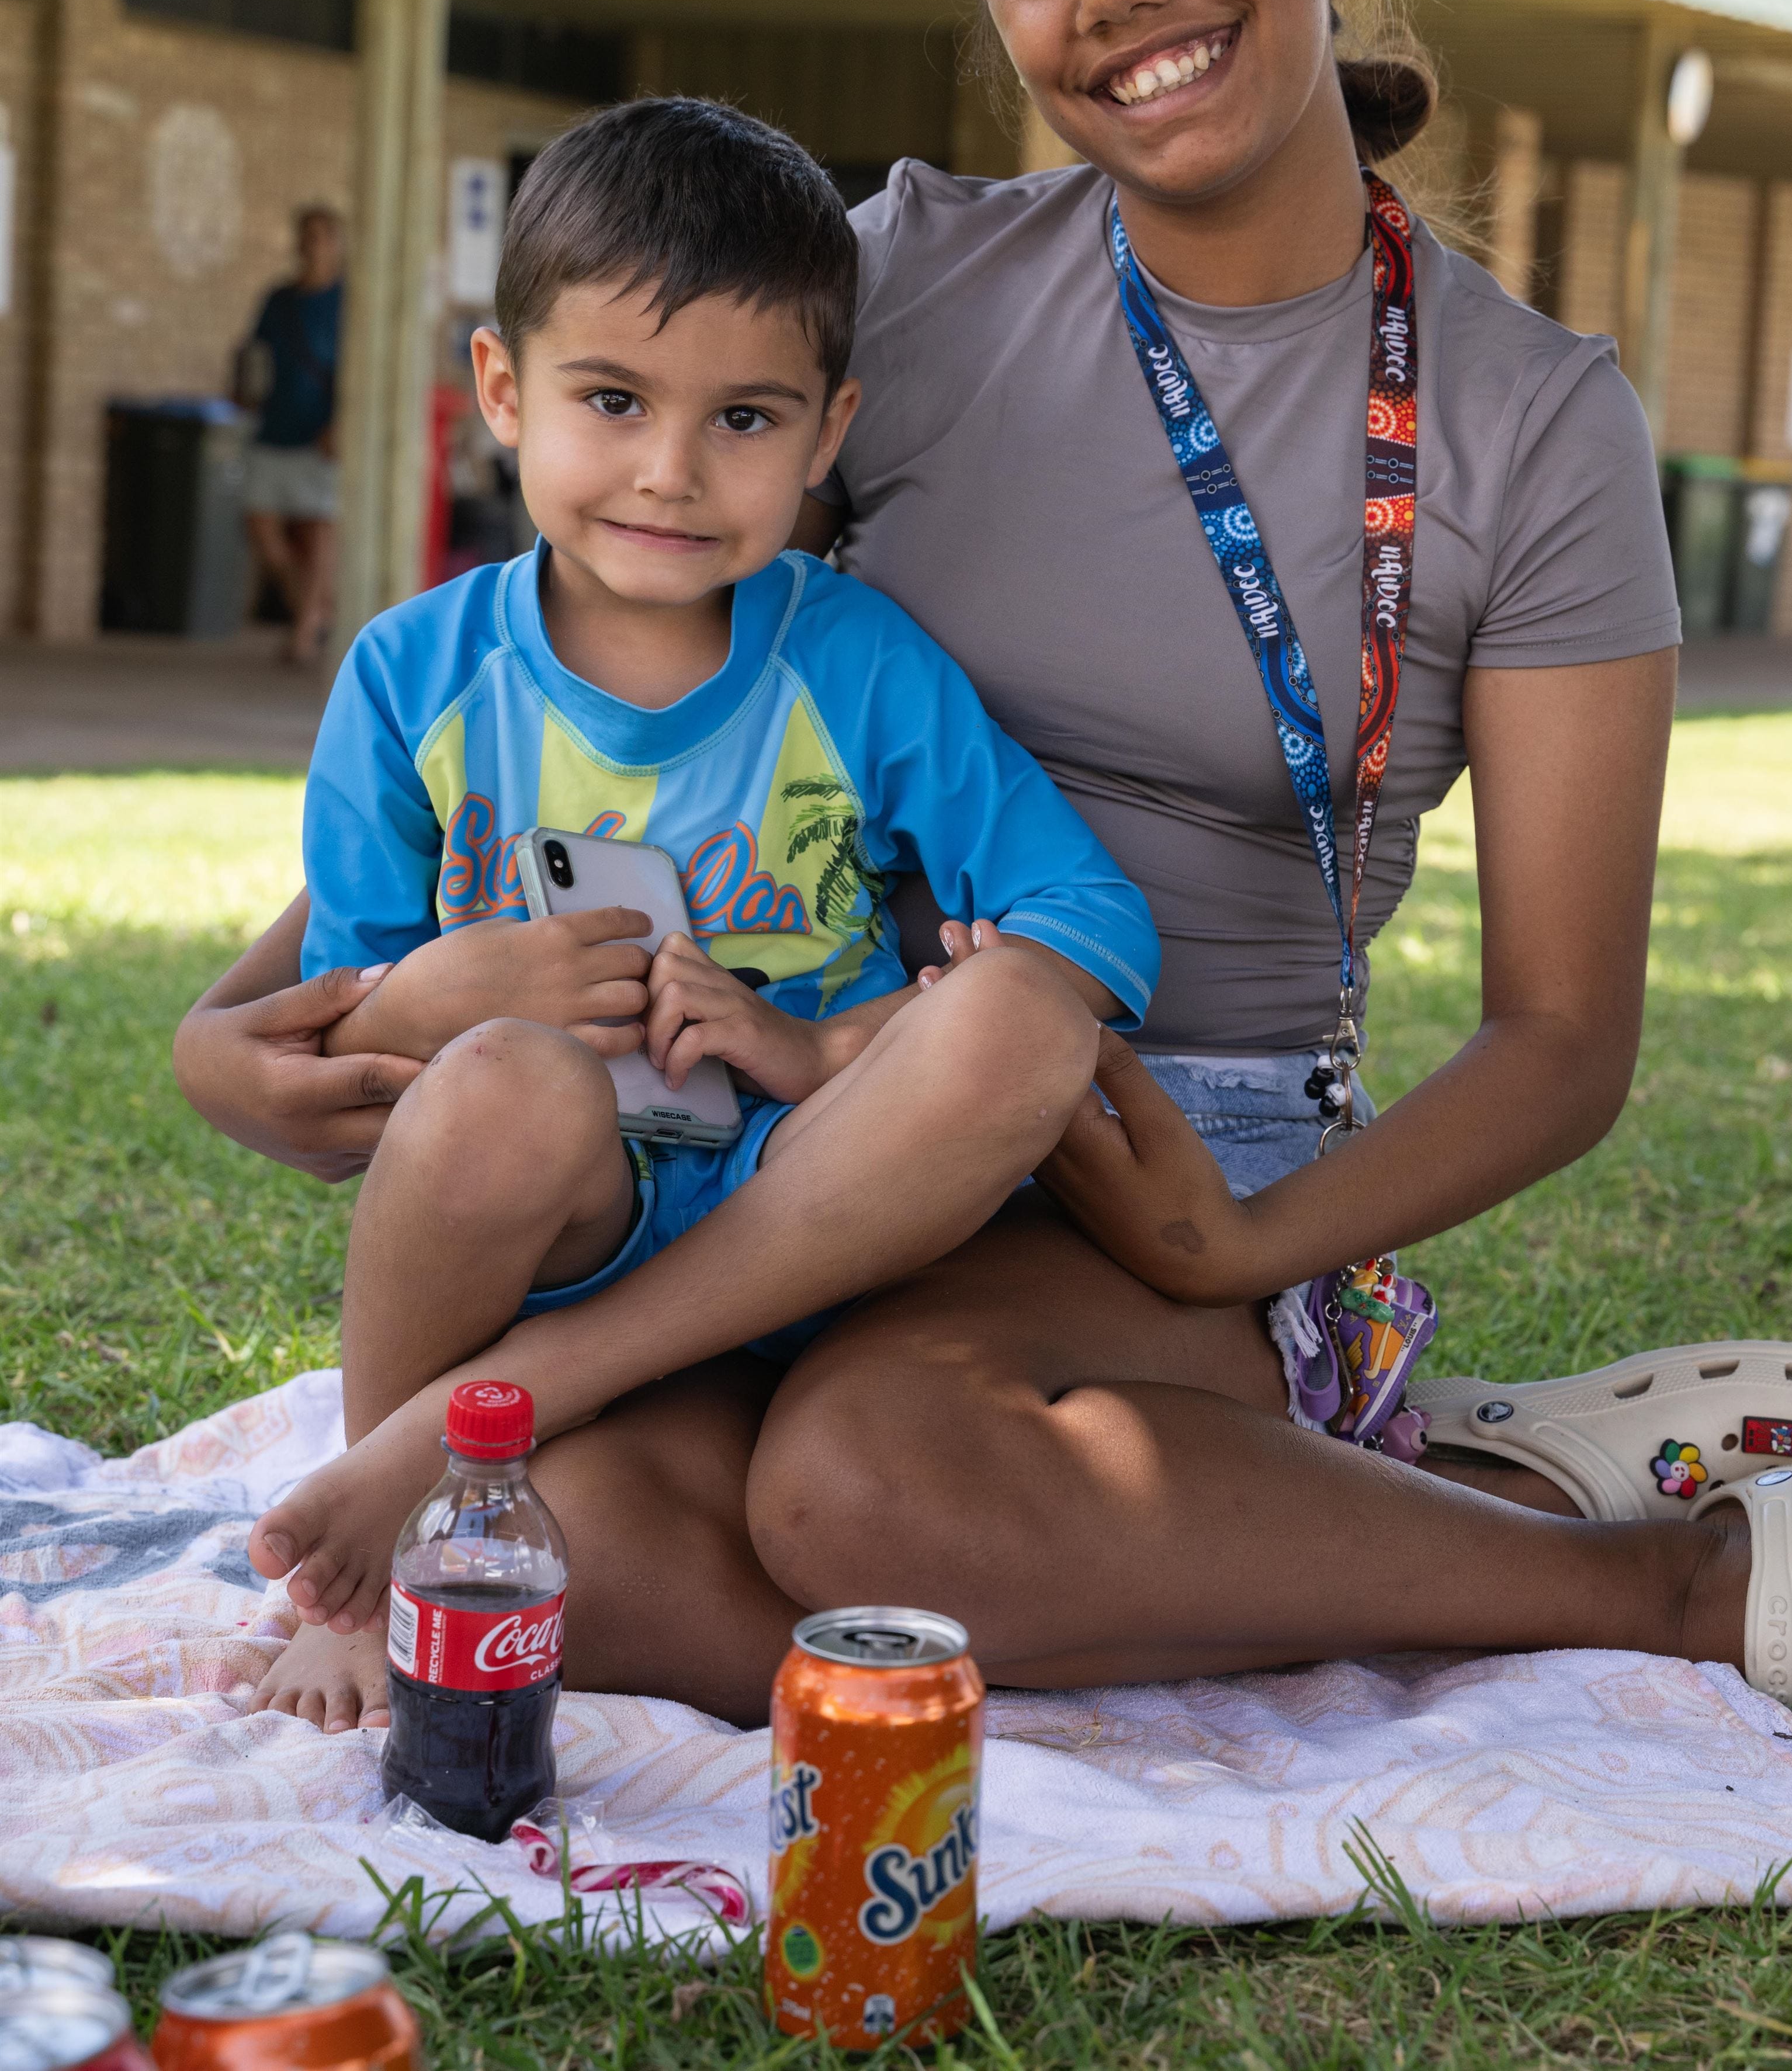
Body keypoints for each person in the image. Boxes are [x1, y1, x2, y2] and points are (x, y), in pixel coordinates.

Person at [177, 0, 1792, 1746]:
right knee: (575, 1549)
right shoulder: (894, 281)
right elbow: (565, 639)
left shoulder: (1531, 423)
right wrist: (278, 1010)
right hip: (778, 1102)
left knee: (865, 1486)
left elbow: (1560, 1040)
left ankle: (1654, 1573)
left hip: (1158, 1144)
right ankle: (1395, 1492)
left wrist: (1231, 1238)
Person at [244, 98, 1158, 1663]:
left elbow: (1089, 921)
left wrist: (820, 1049)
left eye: (743, 418)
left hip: (825, 1221)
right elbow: (350, 1069)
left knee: (1020, 1017)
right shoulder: (413, 680)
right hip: (570, 1213)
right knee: (494, 1093)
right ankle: (401, 1528)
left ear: (826, 428)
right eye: (610, 398)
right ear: (501, 389)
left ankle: (517, 1414)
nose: (668, 472)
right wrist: (430, 996)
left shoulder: (852, 661)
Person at [238, 204, 344, 666]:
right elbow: (252, 352)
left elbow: (359, 370)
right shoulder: (278, 299)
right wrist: (243, 389)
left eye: (321, 235)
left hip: (320, 434)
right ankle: (315, 608)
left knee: (320, 530)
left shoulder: (348, 301)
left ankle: (303, 633)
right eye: (306, 235)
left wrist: (340, 425)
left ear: (336, 244)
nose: (312, 244)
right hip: (275, 426)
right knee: (261, 524)